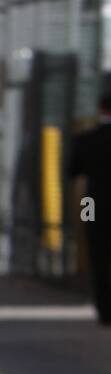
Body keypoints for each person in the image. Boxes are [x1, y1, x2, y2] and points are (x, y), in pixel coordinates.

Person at [68, 87, 111, 325]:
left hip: (94, 204)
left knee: (99, 258)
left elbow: (72, 171)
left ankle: (105, 311)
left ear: (100, 110)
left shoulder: (87, 138)